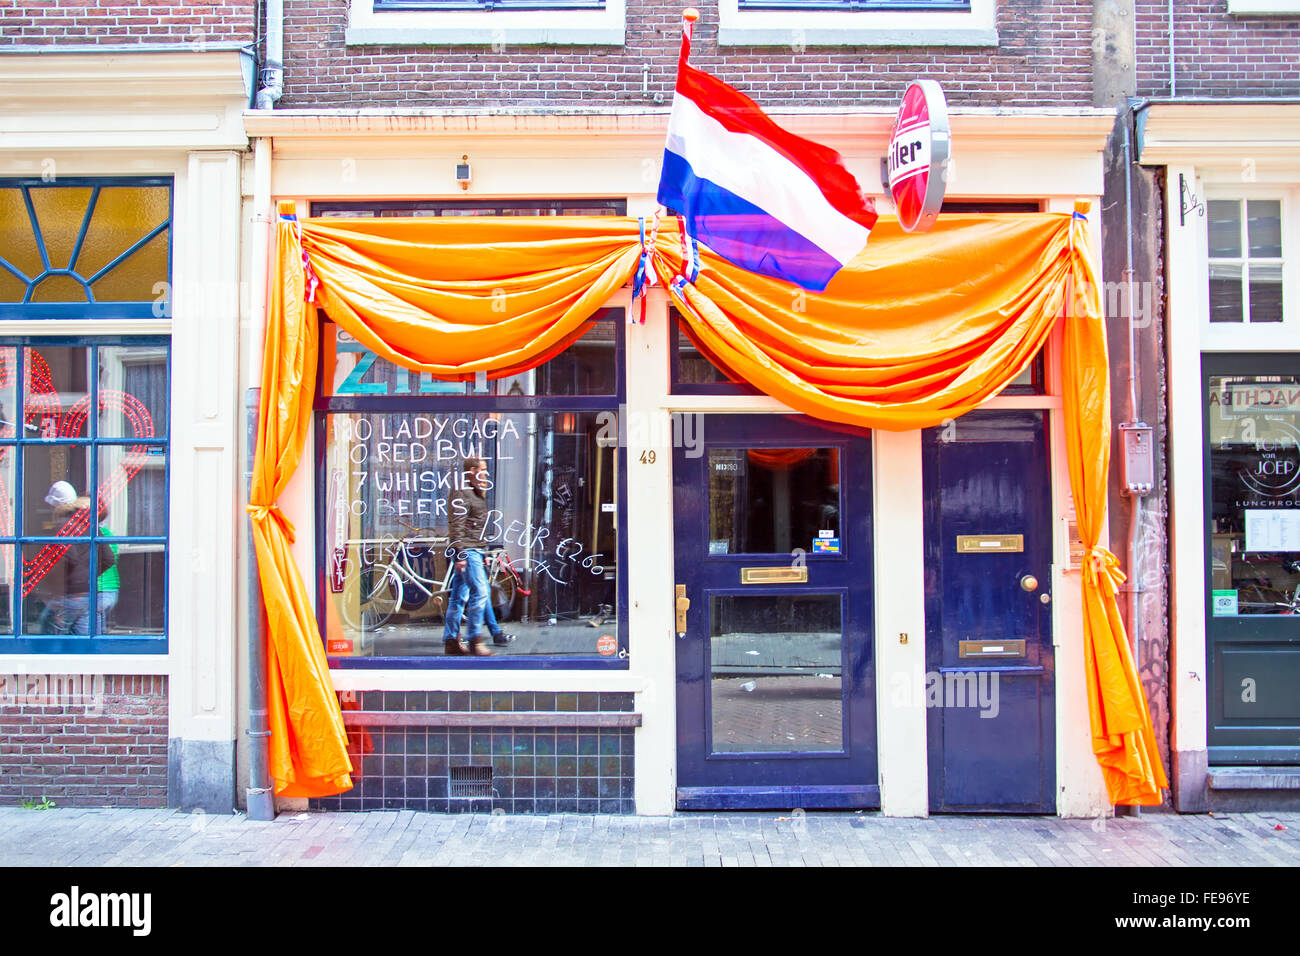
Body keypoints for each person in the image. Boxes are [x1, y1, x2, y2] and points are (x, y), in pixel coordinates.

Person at [39, 482, 115, 635]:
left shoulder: (63, 525)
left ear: (56, 506)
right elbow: (108, 558)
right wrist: (87, 574)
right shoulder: (90, 524)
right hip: (88, 596)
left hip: (68, 597)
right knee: (85, 648)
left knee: (47, 643)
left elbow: (70, 557)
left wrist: (49, 584)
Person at [442, 457, 495, 656]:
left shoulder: (476, 490)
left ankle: (451, 641)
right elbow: (457, 525)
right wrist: (461, 554)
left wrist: (484, 552)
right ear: (472, 470)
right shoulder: (461, 490)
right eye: (483, 469)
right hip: (467, 550)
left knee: (458, 596)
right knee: (480, 592)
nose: (486, 473)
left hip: (475, 549)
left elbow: (477, 524)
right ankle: (475, 640)